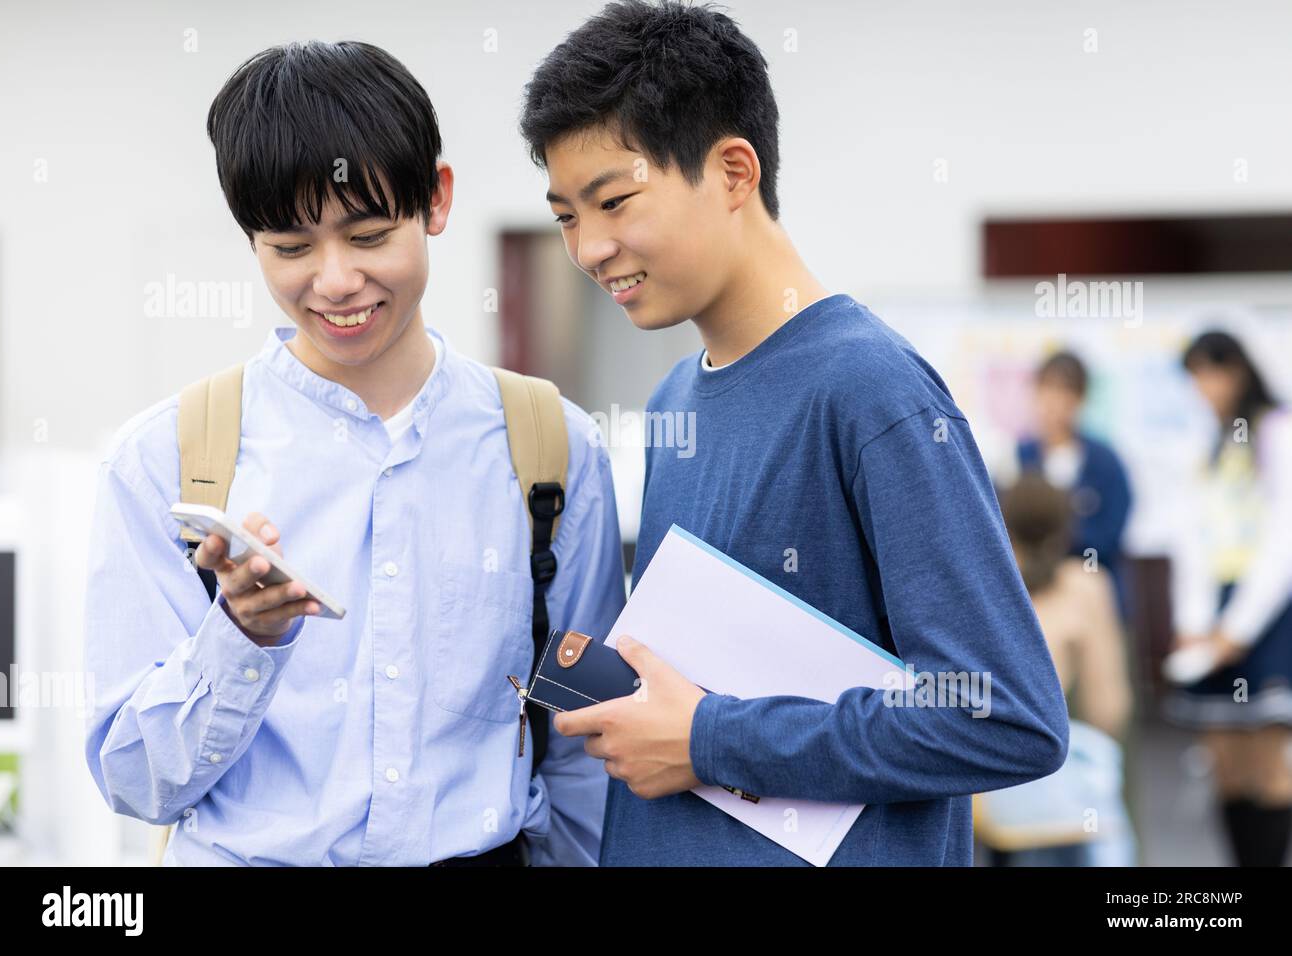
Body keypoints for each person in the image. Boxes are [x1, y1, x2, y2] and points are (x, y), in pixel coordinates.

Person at [517, 0, 1069, 866]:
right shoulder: (672, 404)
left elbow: (1002, 715)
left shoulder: (869, 389)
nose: (588, 248)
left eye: (614, 201)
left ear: (734, 171)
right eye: (564, 217)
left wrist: (711, 738)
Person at [82, 41, 626, 866]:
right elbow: (137, 783)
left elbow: (590, 743)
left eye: (369, 234)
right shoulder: (164, 461)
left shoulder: (552, 448)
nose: (335, 281)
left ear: (435, 201)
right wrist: (238, 640)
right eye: (291, 249)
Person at [1166, 329, 1292, 867]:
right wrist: (1195, 624)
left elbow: (1283, 539)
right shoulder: (1211, 443)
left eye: (1207, 374)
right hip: (1214, 616)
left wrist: (1235, 631)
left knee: (1267, 761)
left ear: (1236, 371)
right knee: (1225, 762)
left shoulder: (1278, 432)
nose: (1202, 389)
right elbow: (1192, 539)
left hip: (1265, 616)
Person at [982, 472, 1136, 866]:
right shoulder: (1086, 587)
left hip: (993, 799)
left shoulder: (984, 588)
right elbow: (1108, 706)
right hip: (1062, 798)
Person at [1016, 350, 1133, 619]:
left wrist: (1057, 550)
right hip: (1031, 601)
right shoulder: (1018, 459)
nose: (1055, 402)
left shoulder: (1105, 463)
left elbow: (1108, 537)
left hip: (1091, 599)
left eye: (1065, 391)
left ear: (1081, 398)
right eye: (1047, 389)